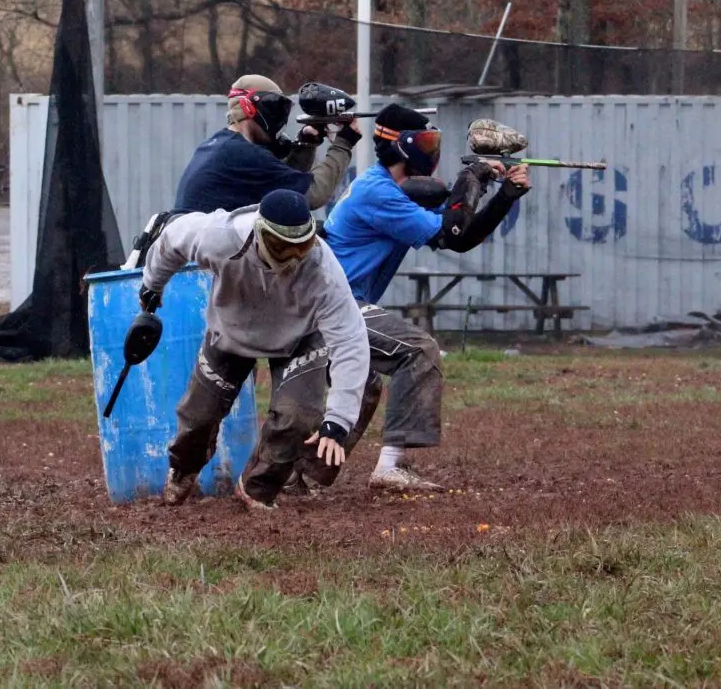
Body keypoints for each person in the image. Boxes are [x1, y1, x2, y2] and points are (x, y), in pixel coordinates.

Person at [298, 103, 531, 493]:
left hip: (334, 302)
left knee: (366, 382)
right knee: (419, 350)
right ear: (402, 148)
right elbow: (451, 233)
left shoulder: (391, 190)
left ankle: (305, 477)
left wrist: (504, 192)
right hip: (330, 306)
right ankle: (389, 467)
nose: (432, 149)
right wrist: (472, 176)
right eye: (426, 141)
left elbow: (460, 234)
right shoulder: (379, 194)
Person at [139, 188, 370, 511]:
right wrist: (152, 284)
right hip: (231, 331)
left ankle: (258, 487)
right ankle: (184, 468)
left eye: (300, 248)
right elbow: (171, 239)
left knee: (297, 419)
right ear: (260, 234)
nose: (291, 259)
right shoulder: (220, 237)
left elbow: (350, 339)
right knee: (197, 419)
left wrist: (338, 420)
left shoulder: (321, 267)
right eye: (282, 247)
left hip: (299, 337)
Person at [173, 74, 361, 214]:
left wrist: (306, 144)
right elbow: (314, 194)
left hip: (196, 254)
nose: (279, 118)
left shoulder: (219, 146)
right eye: (275, 108)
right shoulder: (243, 154)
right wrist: (343, 143)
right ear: (249, 107)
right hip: (204, 261)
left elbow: (280, 184)